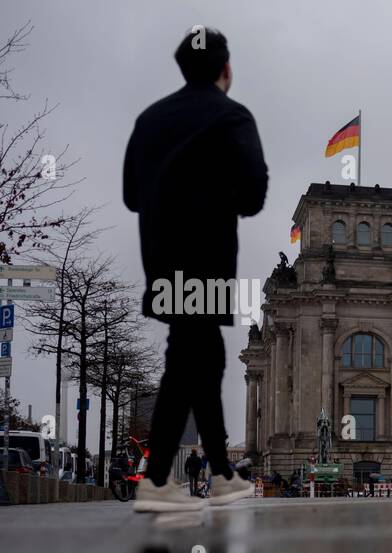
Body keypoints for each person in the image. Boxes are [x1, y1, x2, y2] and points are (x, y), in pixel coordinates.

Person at [124, 26, 267, 513]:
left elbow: (129, 195)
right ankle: (158, 477)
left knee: (200, 355)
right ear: (226, 70)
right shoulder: (232, 116)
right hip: (207, 255)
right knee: (191, 355)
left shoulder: (149, 120)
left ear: (182, 69)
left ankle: (222, 474)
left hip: (161, 256)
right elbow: (253, 196)